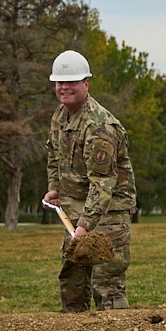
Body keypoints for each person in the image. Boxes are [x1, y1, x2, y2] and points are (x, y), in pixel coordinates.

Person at [42, 50, 136, 311]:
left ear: (86, 84)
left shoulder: (99, 128)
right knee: (72, 279)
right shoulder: (60, 116)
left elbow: (103, 185)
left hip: (109, 212)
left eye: (71, 82)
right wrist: (54, 188)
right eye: (60, 82)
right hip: (76, 208)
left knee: (106, 279)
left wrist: (83, 228)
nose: (64, 88)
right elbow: (53, 153)